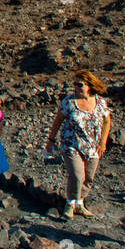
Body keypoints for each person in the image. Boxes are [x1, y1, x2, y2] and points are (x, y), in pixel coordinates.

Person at [45, 70, 111, 218]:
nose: (76, 87)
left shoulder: (100, 102)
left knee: (88, 177)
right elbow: (58, 121)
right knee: (76, 175)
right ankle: (69, 204)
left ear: (89, 85)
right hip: (71, 144)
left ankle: (79, 204)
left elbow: (107, 121)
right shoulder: (68, 102)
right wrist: (51, 140)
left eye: (79, 84)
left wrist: (103, 142)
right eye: (74, 84)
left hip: (93, 146)